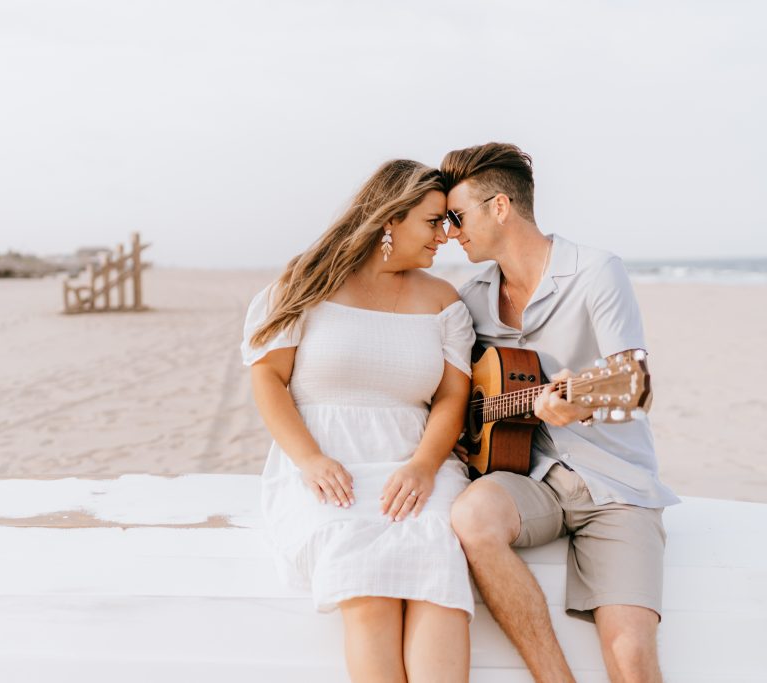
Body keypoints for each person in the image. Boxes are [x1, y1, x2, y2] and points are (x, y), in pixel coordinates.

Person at [441, 142, 680, 683]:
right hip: (529, 479)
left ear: (499, 207)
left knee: (631, 656)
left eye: (458, 216)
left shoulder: (596, 271)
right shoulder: (470, 297)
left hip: (613, 485)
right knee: (471, 517)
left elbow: (633, 382)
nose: (452, 231)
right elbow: (451, 390)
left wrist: (580, 405)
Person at [241, 159, 476, 682]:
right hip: (326, 463)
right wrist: (310, 459)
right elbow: (267, 380)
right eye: (433, 221)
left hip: (417, 465)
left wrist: (423, 466)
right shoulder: (307, 282)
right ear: (390, 218)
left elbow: (450, 399)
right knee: (366, 585)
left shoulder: (442, 300)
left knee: (437, 575)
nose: (445, 235)